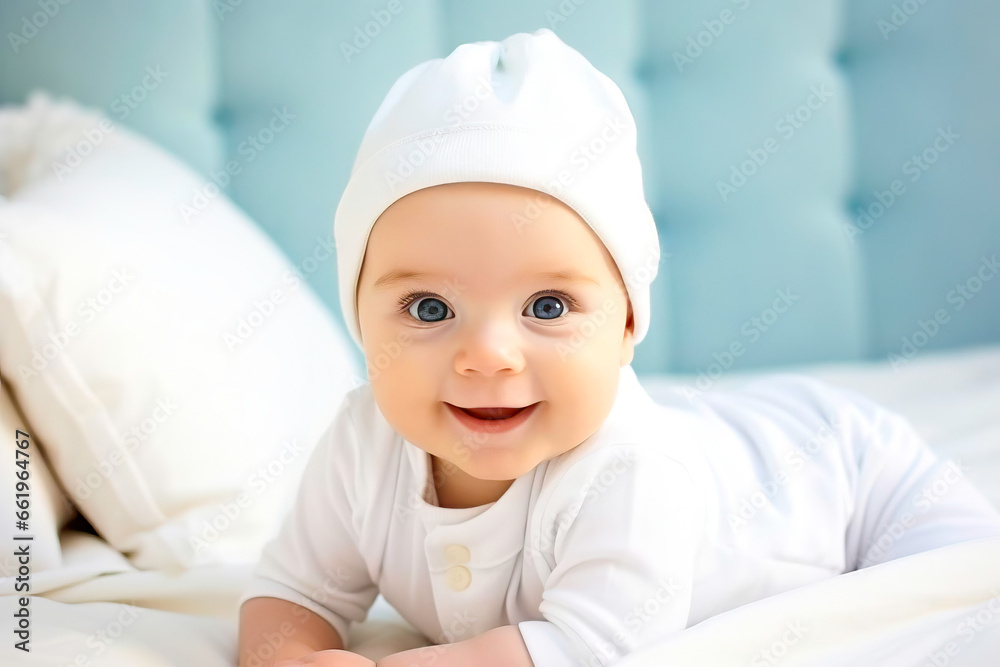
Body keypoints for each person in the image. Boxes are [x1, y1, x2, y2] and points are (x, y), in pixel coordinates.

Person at [236, 28, 1000, 667]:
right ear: (360, 321)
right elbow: (291, 593)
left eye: (548, 305)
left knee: (964, 598)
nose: (490, 354)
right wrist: (290, 655)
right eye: (429, 307)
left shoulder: (630, 469)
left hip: (853, 477)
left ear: (630, 323)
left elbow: (590, 648)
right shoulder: (359, 444)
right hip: (746, 434)